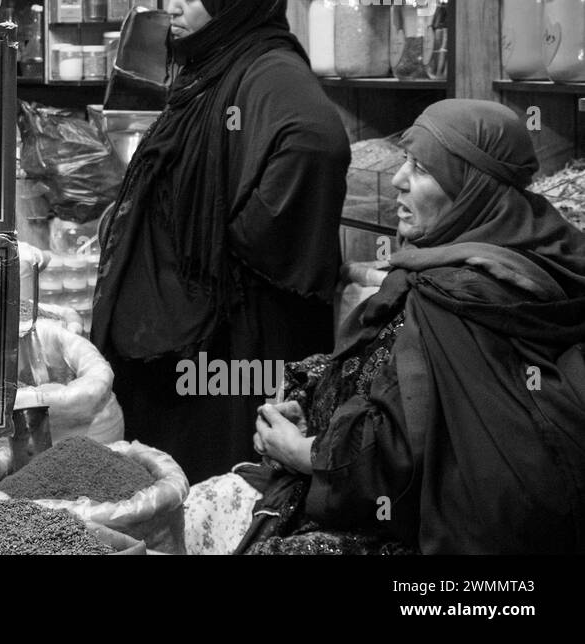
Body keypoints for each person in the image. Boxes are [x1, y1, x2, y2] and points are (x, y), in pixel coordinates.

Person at [240, 99, 585, 554]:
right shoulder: (543, 245)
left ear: (470, 189)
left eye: (421, 168)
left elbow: (400, 453)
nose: (399, 179)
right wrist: (318, 406)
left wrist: (304, 453)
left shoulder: (453, 298)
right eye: (404, 159)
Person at [90, 0, 350, 484]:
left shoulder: (267, 68)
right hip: (202, 328)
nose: (175, 8)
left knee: (221, 474)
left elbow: (317, 141)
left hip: (237, 332)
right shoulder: (218, 63)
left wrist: (239, 235)